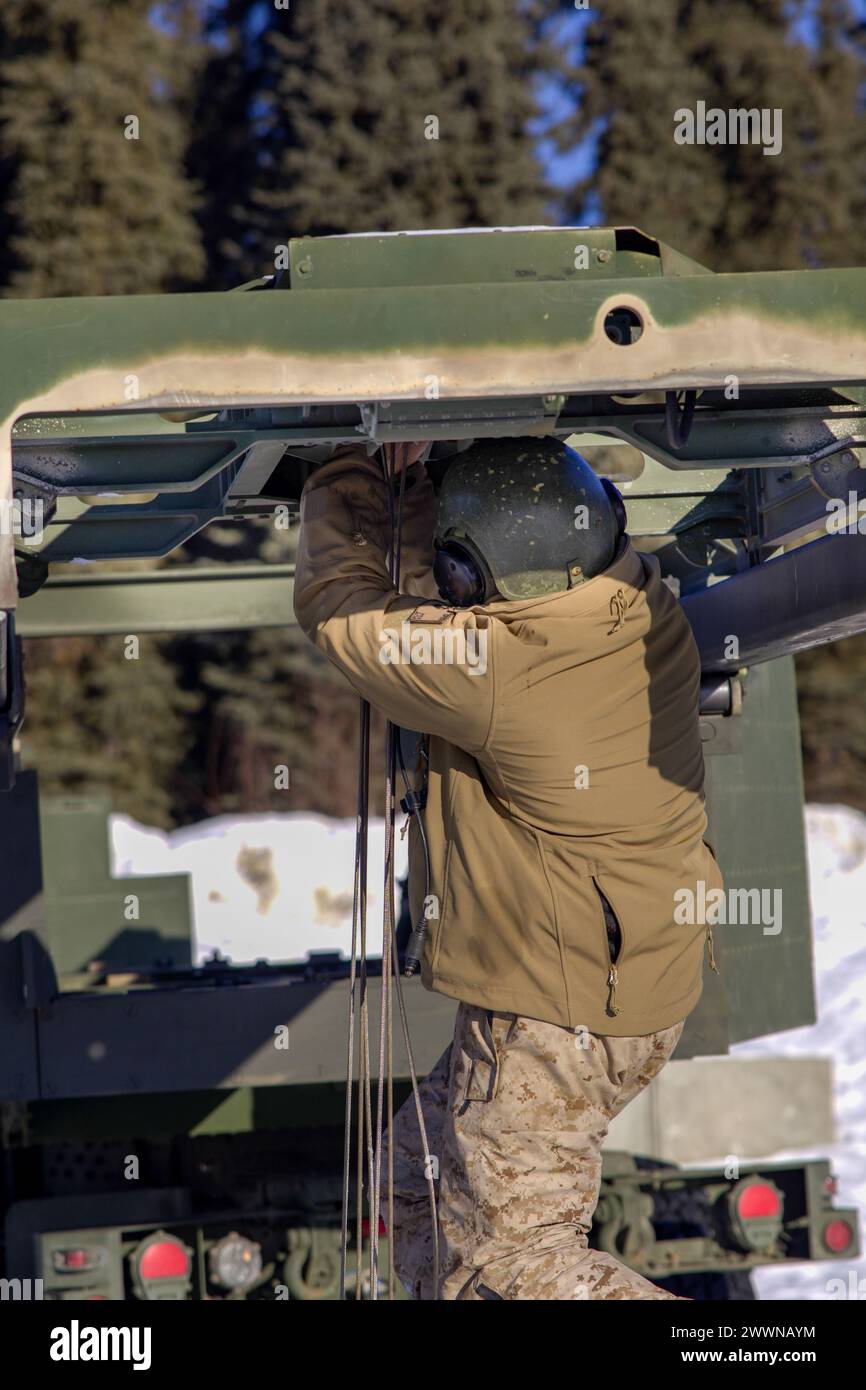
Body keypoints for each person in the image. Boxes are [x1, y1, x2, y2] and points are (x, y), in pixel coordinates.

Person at [293, 435, 724, 1301]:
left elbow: (342, 609)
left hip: (553, 1020)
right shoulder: (637, 599)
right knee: (412, 1183)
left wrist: (347, 469)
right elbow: (491, 574)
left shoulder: (493, 672)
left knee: (515, 1264)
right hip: (611, 990)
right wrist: (431, 487)